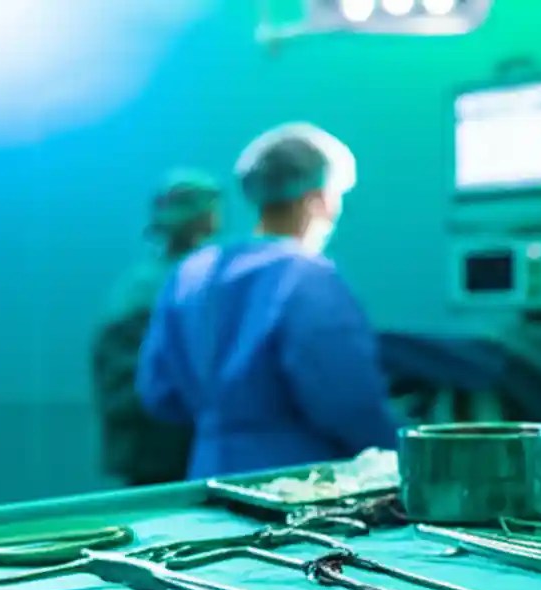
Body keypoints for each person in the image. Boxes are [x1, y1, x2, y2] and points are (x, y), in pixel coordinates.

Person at [136, 122, 398, 478]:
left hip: (207, 475)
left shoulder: (192, 272)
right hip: (295, 481)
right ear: (321, 199)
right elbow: (348, 401)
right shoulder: (307, 277)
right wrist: (395, 455)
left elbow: (158, 392)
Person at [91, 169, 221, 486]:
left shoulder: (206, 278)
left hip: (193, 445)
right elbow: (128, 386)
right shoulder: (145, 290)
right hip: (161, 451)